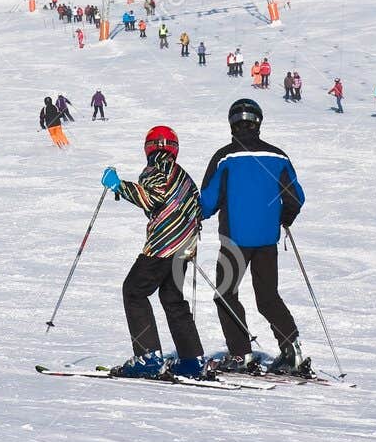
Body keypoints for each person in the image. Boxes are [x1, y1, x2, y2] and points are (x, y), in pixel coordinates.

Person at [199, 98, 308, 376]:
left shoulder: (225, 157)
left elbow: (208, 202)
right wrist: (283, 218)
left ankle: (240, 354)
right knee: (268, 297)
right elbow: (295, 198)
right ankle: (291, 349)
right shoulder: (278, 157)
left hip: (235, 240)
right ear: (258, 122)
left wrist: (194, 217)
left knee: (225, 295)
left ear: (232, 124)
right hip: (266, 240)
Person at [101, 125, 206, 379]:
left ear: (149, 148)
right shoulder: (183, 174)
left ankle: (147, 358)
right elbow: (197, 207)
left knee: (134, 291)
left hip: (163, 244)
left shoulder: (154, 167)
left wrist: (118, 186)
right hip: (186, 246)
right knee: (171, 298)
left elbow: (152, 198)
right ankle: (192, 360)